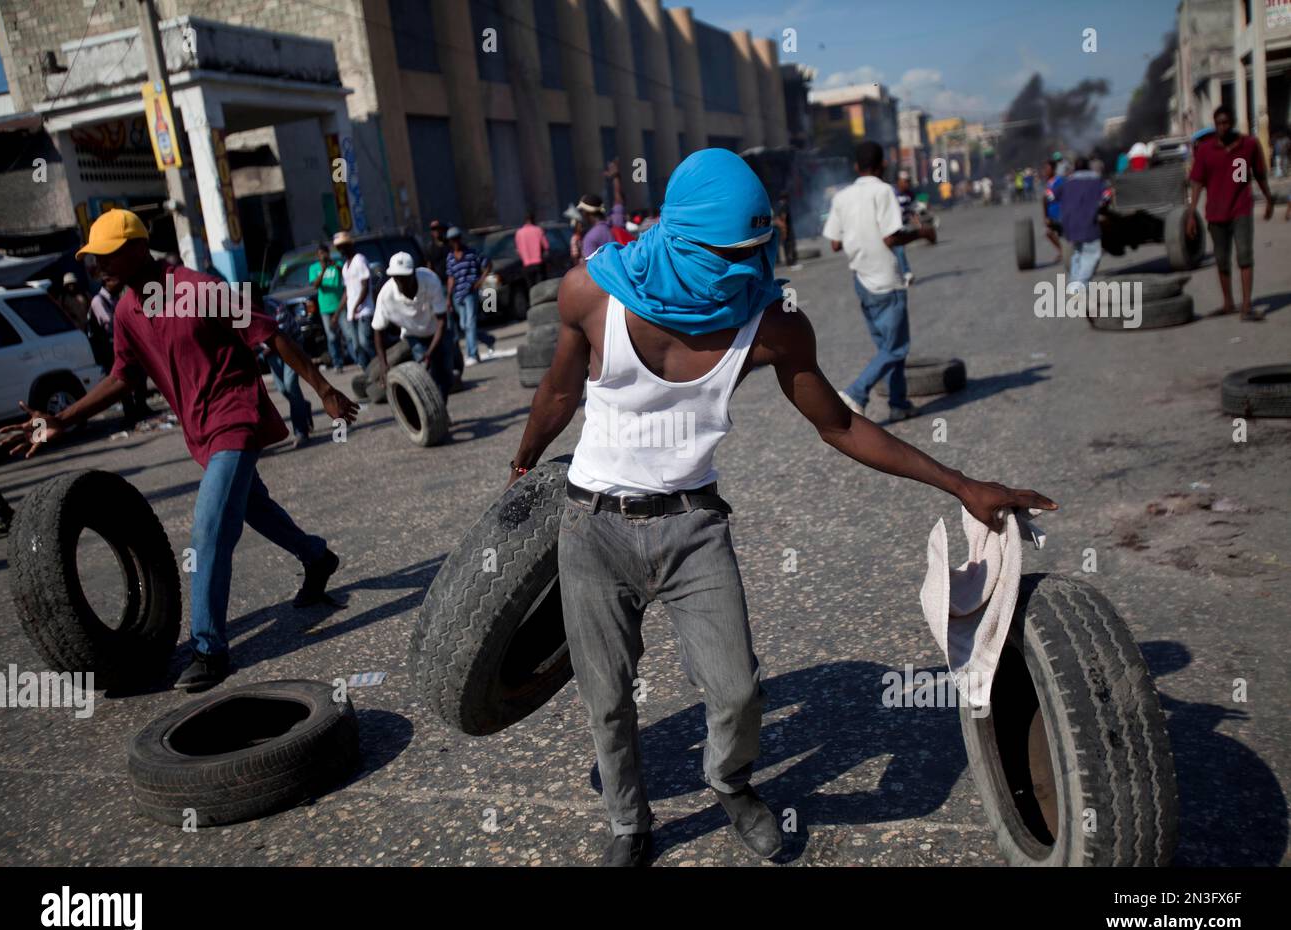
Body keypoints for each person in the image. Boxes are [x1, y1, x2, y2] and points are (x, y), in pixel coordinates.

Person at [504, 147, 1056, 867]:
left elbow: (840, 425)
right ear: (678, 232)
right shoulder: (591, 294)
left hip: (692, 527)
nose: (744, 268)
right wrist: (523, 460)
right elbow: (556, 392)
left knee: (737, 692)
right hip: (592, 526)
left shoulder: (771, 325)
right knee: (608, 700)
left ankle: (729, 783)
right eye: (727, 252)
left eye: (755, 250)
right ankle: (628, 823)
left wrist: (961, 484)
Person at [0, 209, 359, 692]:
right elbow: (123, 376)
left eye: (105, 256)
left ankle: (209, 648)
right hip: (200, 431)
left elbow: (268, 332)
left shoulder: (197, 288)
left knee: (209, 528)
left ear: (136, 250)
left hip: (236, 415)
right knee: (254, 506)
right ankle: (316, 557)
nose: (97, 266)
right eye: (93, 259)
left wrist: (323, 388)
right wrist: (64, 418)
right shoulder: (125, 311)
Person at [824, 141, 937, 421]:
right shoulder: (884, 191)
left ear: (855, 166)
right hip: (886, 279)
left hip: (861, 280)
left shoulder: (841, 198)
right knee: (897, 347)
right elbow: (891, 237)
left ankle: (898, 403)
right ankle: (855, 393)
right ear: (883, 164)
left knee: (887, 347)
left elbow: (835, 244)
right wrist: (923, 233)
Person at [1186, 104, 1276, 321]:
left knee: (1244, 255)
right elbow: (1197, 183)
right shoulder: (1206, 150)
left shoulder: (1248, 145)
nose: (1222, 127)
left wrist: (1269, 199)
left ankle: (1246, 307)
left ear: (1232, 123)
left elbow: (1259, 174)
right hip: (1216, 212)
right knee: (1221, 258)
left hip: (1241, 208)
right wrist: (1190, 214)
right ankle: (1228, 303)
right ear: (1214, 125)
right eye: (1218, 124)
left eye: (1226, 123)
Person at [372, 251, 454, 404]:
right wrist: (383, 364)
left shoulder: (430, 280)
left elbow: (442, 320)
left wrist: (431, 352)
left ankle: (441, 405)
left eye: (404, 277)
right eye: (396, 278)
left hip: (438, 331)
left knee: (446, 373)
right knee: (427, 374)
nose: (400, 282)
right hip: (413, 335)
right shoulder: (386, 295)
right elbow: (378, 331)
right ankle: (437, 411)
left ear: (413, 273)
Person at [88, 273, 151, 427]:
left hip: (122, 343)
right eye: (115, 281)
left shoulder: (115, 298)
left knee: (140, 373)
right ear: (106, 281)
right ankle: (130, 413)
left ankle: (141, 406)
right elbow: (109, 323)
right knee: (121, 378)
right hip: (108, 348)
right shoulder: (98, 301)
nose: (119, 284)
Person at [1052, 156, 1112, 299]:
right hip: (1088, 223)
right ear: (1088, 167)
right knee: (1092, 254)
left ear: (1075, 168)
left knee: (1078, 253)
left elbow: (1051, 196)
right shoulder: (1096, 180)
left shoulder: (1067, 182)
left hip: (1069, 224)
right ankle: (1081, 285)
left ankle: (1073, 284)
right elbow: (1106, 196)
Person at [261, 298, 315, 449]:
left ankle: (301, 431)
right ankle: (303, 406)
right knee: (283, 389)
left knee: (291, 386)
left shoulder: (276, 307)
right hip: (269, 352)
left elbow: (280, 340)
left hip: (290, 345)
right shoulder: (242, 309)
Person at [444, 226, 497, 365]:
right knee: (464, 325)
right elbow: (451, 278)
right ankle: (488, 339)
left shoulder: (472, 253)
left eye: (457, 239)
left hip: (470, 291)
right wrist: (448, 297)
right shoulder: (450, 258)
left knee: (470, 322)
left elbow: (488, 265)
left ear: (460, 239)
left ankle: (472, 354)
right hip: (457, 294)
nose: (455, 242)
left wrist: (480, 281)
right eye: (452, 240)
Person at [333, 231, 375, 368]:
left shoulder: (359, 260)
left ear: (350, 245)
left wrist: (357, 305)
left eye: (343, 246)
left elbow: (365, 286)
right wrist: (338, 312)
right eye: (339, 247)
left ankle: (378, 365)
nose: (341, 249)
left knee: (365, 343)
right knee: (357, 347)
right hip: (352, 313)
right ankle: (367, 372)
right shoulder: (345, 266)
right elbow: (347, 291)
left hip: (364, 311)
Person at [308, 243, 348, 372]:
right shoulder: (314, 268)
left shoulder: (336, 265)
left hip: (340, 305)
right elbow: (315, 285)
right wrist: (324, 269)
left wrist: (334, 265)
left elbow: (346, 275)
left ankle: (358, 359)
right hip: (325, 307)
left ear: (328, 253)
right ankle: (337, 363)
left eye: (324, 253)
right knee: (332, 337)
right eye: (320, 254)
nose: (323, 256)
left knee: (348, 334)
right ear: (318, 256)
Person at [580, 159, 627, 260]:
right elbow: (619, 200)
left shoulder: (590, 238)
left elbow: (590, 269)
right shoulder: (616, 221)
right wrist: (616, 177)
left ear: (587, 213)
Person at [515, 211, 550, 287]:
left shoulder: (519, 233)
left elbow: (518, 251)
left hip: (526, 265)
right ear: (533, 219)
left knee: (531, 288)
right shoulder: (538, 230)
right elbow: (546, 246)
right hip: (538, 263)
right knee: (541, 286)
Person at [893, 171, 917, 284]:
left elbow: (913, 209)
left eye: (908, 181)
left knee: (899, 249)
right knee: (898, 250)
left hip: (904, 226)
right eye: (905, 181)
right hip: (891, 226)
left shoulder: (910, 194)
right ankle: (904, 274)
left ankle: (906, 274)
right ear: (898, 182)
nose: (907, 184)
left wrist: (915, 220)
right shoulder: (892, 193)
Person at [1041, 159, 1065, 260]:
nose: (1045, 171)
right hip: (1053, 216)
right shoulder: (1048, 183)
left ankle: (1065, 253)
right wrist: (1046, 216)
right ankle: (1063, 251)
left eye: (1047, 168)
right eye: (1044, 168)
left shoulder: (1059, 181)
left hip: (1061, 215)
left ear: (1053, 169)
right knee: (1049, 233)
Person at [773, 191, 797, 267]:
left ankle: (788, 261)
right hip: (787, 229)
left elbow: (776, 218)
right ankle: (790, 261)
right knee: (790, 245)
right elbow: (783, 218)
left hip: (780, 229)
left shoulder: (777, 206)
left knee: (785, 245)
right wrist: (784, 230)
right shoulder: (784, 205)